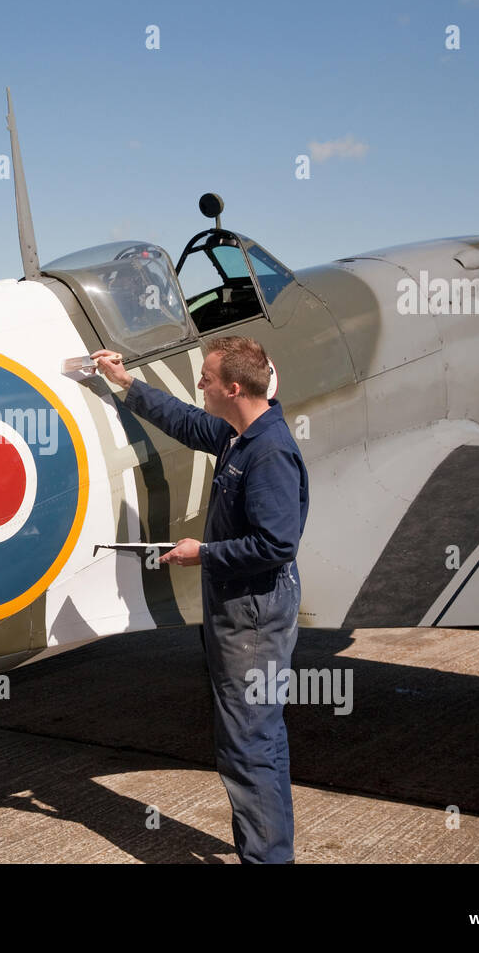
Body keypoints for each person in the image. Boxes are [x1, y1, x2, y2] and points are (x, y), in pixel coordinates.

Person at [94, 336, 309, 863]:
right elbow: (187, 421)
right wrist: (126, 385)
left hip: (252, 617)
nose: (200, 386)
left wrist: (204, 553)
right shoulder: (241, 433)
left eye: (207, 379)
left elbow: (278, 544)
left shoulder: (269, 452)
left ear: (234, 387)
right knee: (261, 736)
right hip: (241, 608)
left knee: (247, 745)